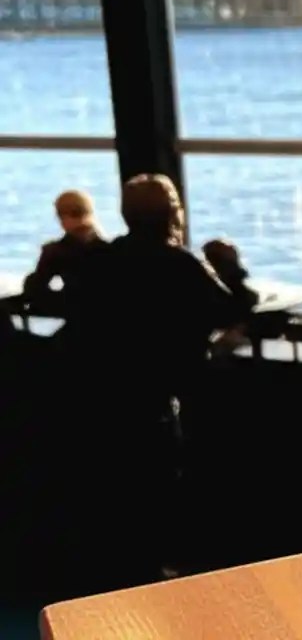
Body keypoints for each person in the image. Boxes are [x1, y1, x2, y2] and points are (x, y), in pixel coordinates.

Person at [45, 173, 259, 596]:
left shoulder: (98, 261)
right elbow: (234, 305)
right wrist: (230, 265)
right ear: (171, 215)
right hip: (153, 406)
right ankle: (155, 588)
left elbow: (69, 309)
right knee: (156, 499)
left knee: (112, 505)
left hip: (96, 403)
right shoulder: (179, 264)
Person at [22, 189, 108, 307]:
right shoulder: (109, 248)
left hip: (78, 317)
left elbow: (35, 290)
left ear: (63, 217)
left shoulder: (56, 251)